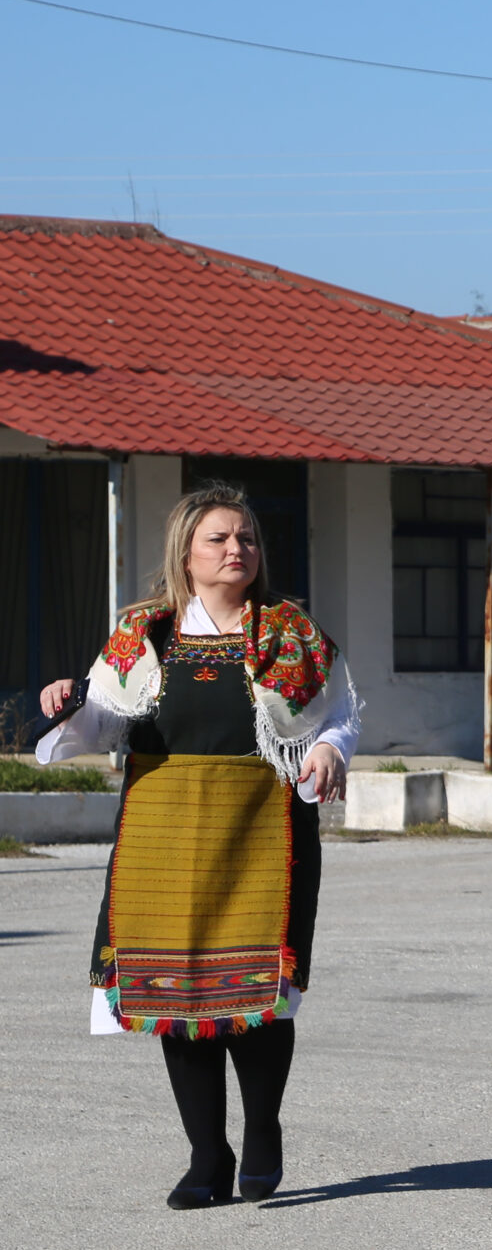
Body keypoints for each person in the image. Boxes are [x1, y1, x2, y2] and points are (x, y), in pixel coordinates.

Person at [36, 485, 358, 1209]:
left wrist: (333, 749)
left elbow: (340, 713)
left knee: (260, 993)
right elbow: (100, 724)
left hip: (263, 827)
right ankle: (207, 1157)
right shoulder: (141, 632)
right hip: (162, 828)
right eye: (218, 538)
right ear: (187, 550)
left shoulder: (289, 631)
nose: (236, 549)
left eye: (245, 537)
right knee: (174, 992)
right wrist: (70, 700)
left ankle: (264, 1128)